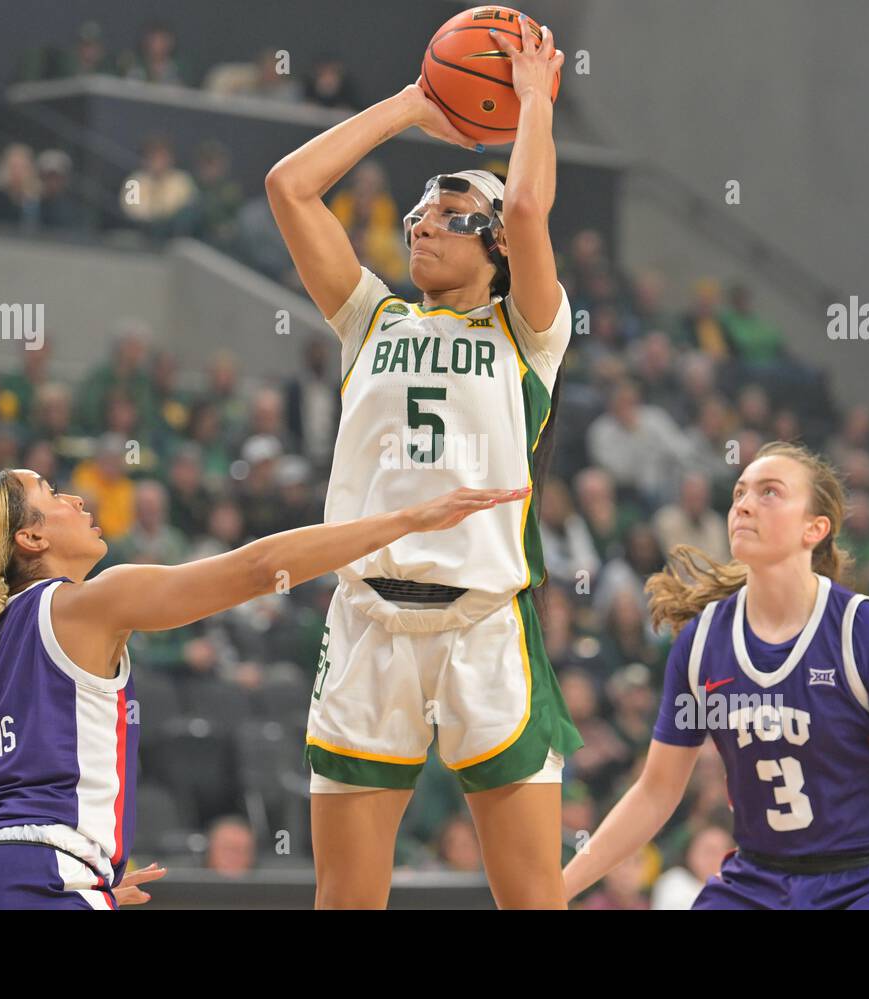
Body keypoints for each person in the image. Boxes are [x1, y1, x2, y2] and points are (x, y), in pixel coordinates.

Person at [266, 16, 575, 908]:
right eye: (416, 214)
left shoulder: (528, 334)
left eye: (449, 217)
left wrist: (531, 104)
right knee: (346, 901)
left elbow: (525, 206)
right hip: (367, 618)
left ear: (497, 247)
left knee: (531, 899)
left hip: (486, 626)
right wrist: (410, 104)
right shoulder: (373, 317)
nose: (422, 226)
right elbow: (290, 186)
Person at [0, 468, 526, 908]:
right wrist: (405, 521)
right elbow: (258, 571)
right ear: (32, 539)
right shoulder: (88, 603)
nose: (73, 496)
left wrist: (70, 881)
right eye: (51, 494)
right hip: (33, 878)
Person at [563, 442, 869, 909]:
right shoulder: (702, 644)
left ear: (815, 528)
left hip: (868, 880)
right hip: (757, 880)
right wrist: (554, 891)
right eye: (739, 493)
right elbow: (656, 792)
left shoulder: (864, 634)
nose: (744, 505)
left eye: (770, 492)